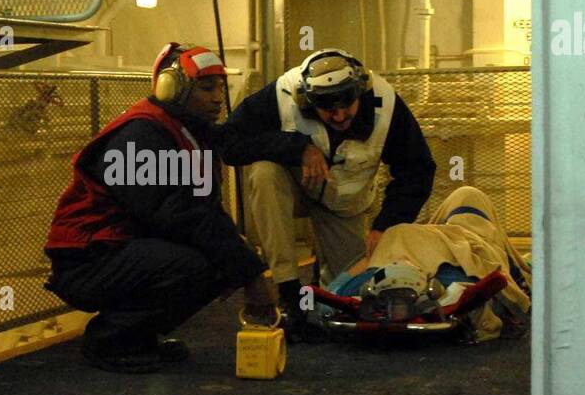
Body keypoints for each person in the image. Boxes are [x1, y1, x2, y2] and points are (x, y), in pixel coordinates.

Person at [44, 43, 281, 373]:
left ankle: (138, 336)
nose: (218, 98)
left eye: (220, 88)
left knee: (226, 257)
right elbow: (178, 214)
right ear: (173, 87)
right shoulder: (139, 135)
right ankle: (110, 341)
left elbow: (199, 208)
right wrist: (252, 273)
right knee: (199, 263)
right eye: (206, 87)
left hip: (119, 250)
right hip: (87, 260)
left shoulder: (184, 131)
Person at [220, 49, 437, 339]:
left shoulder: (387, 105)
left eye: (347, 105)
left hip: (344, 203)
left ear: (360, 91)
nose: (339, 116)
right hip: (296, 188)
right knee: (264, 172)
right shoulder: (284, 93)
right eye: (327, 109)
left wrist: (385, 225)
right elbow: (229, 143)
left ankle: (324, 279)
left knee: (355, 296)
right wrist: (297, 147)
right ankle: (289, 293)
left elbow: (417, 169)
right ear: (307, 101)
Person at [322, 185, 532, 341]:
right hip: (452, 271)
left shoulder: (417, 234)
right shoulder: (482, 242)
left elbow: (340, 287)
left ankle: (401, 284)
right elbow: (507, 281)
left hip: (407, 262)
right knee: (471, 205)